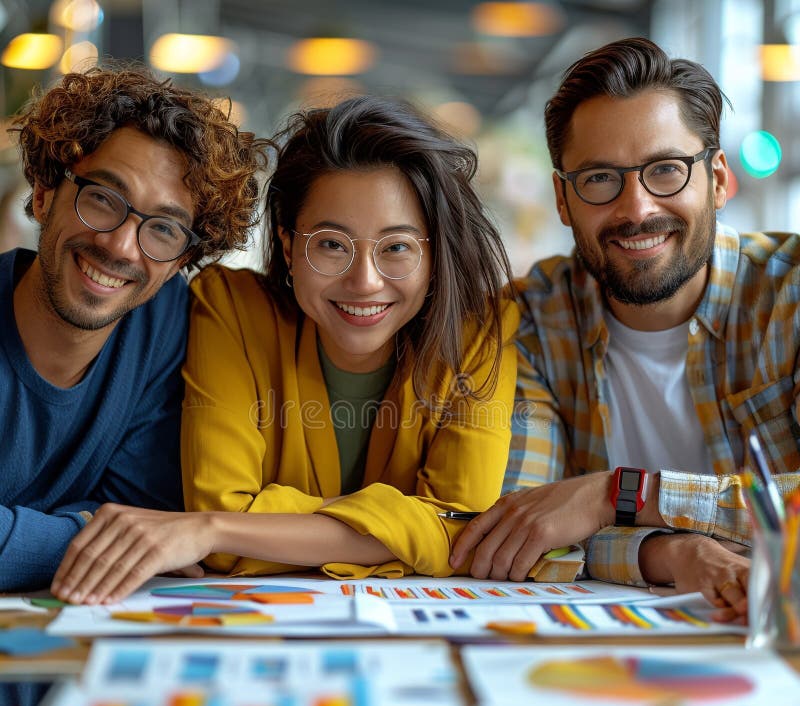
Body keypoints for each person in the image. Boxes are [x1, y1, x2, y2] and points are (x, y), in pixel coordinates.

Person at [50, 95, 519, 605]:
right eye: (331, 244)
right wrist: (410, 523)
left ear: (435, 256)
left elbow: (462, 527)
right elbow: (221, 505)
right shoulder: (231, 311)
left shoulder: (480, 334)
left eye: (397, 248)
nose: (365, 282)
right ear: (290, 248)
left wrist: (216, 529)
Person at [451, 37, 800, 622]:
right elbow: (522, 531)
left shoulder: (789, 298)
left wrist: (617, 494)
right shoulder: (532, 320)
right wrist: (678, 554)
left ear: (717, 178)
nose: (636, 208)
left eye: (666, 169)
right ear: (563, 199)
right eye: (600, 179)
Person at [2, 66, 270, 590]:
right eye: (102, 198)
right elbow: (126, 537)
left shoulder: (165, 327)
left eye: (163, 230)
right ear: (43, 193)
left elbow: (138, 508)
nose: (122, 247)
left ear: (180, 260)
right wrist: (76, 536)